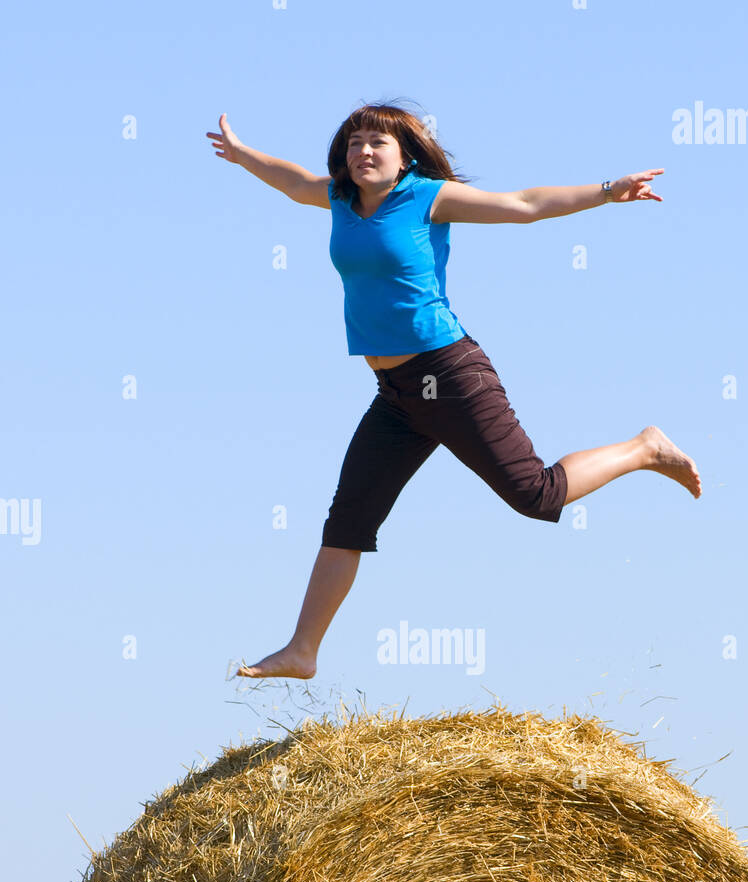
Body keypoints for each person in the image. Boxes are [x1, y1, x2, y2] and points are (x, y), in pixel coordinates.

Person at [205, 103, 701, 681]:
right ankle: (303, 650)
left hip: (449, 374)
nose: (364, 151)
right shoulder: (338, 199)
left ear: (404, 156)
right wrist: (242, 157)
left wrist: (605, 190)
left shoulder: (426, 197)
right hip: (395, 394)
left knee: (535, 495)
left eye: (377, 144)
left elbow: (523, 206)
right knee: (348, 520)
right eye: (355, 142)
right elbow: (292, 182)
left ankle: (645, 448)